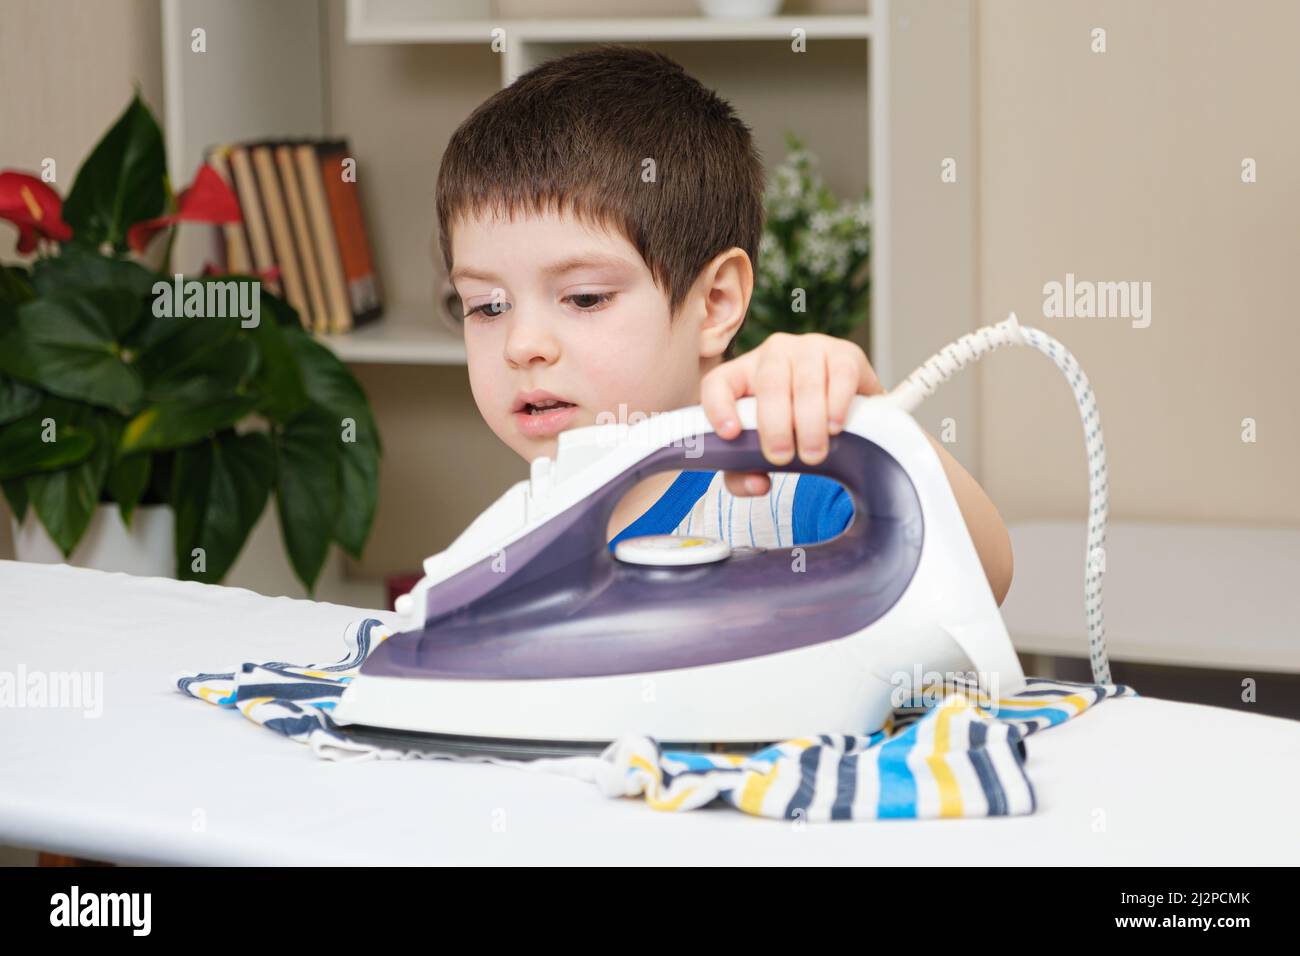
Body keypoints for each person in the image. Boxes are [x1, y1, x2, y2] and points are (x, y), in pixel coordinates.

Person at [434, 45, 1013, 604]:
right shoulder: (516, 538)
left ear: (714, 303)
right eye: (487, 306)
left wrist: (873, 430)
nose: (522, 345)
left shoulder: (786, 484)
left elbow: (982, 573)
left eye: (584, 298)